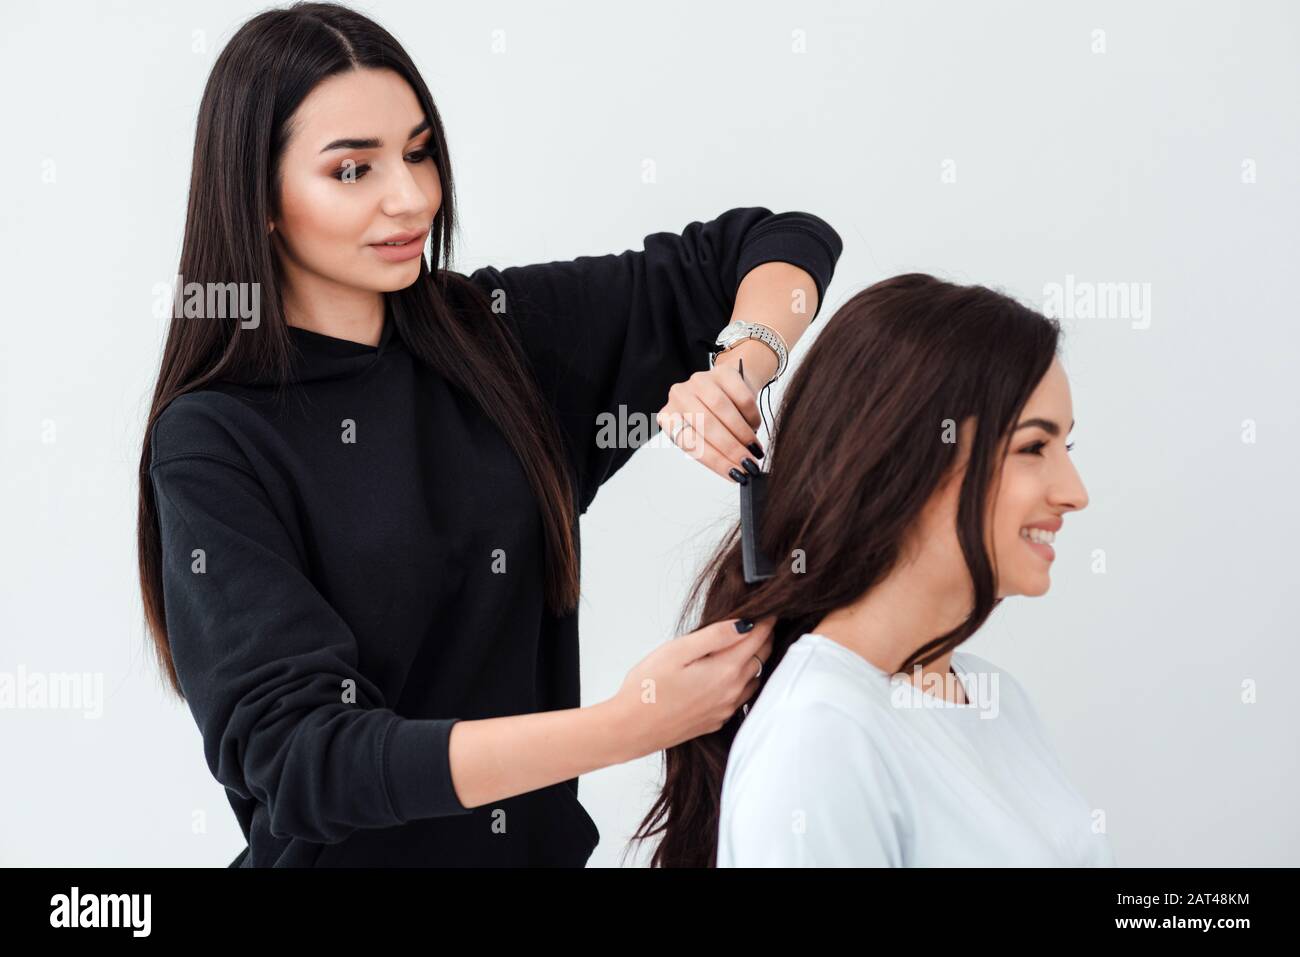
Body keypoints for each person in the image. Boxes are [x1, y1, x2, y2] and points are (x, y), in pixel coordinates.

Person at [136, 2, 842, 866]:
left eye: (420, 151)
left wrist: (744, 358)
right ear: (262, 201)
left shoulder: (497, 335)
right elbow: (305, 760)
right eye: (353, 170)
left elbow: (777, 241)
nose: (412, 195)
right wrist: (622, 728)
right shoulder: (214, 441)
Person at [630, 273, 1117, 867]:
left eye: (1067, 448)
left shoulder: (996, 701)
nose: (1074, 493)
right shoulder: (821, 736)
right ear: (904, 461)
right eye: (1033, 448)